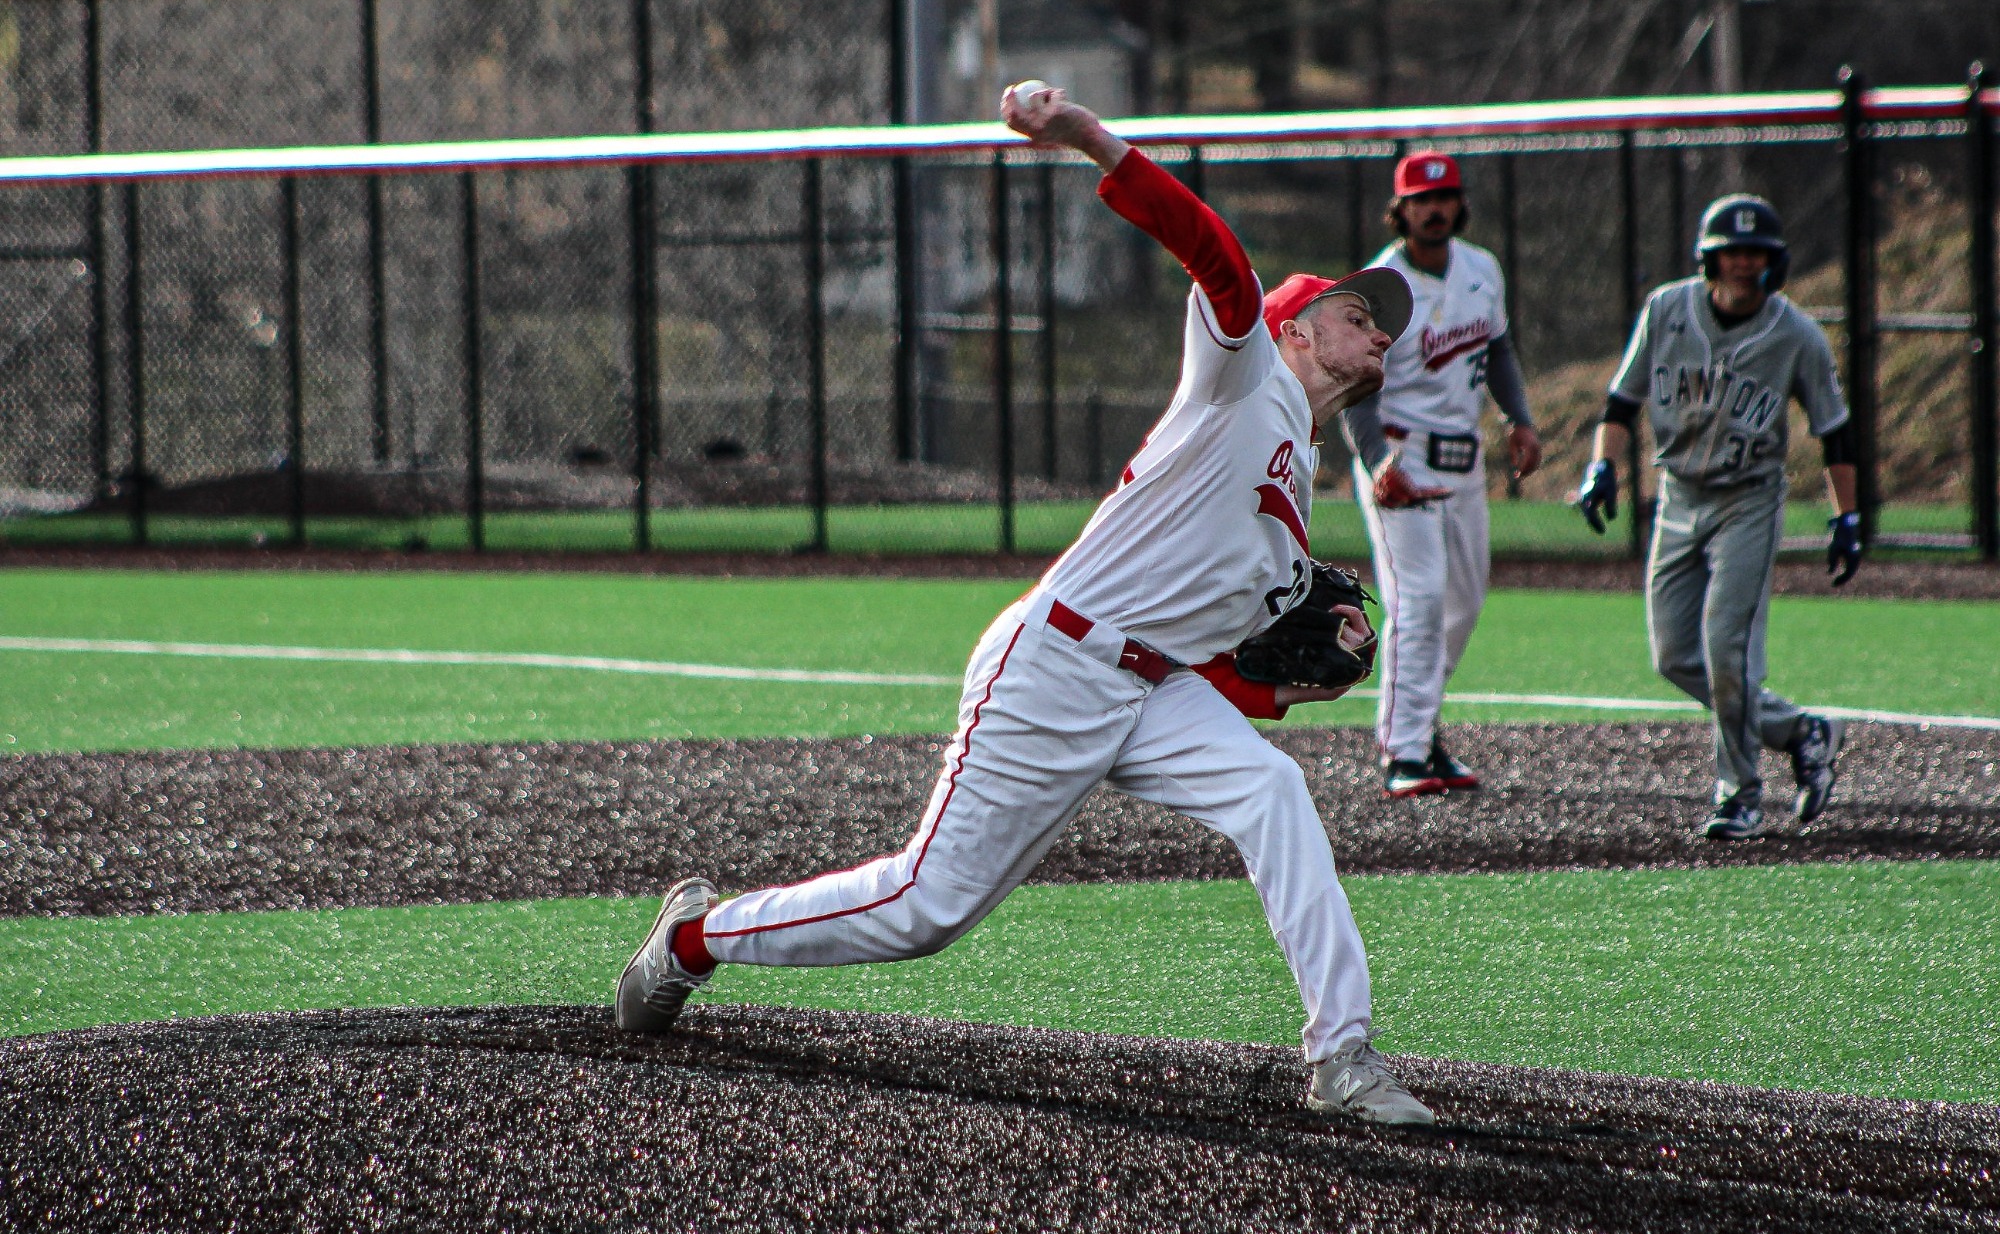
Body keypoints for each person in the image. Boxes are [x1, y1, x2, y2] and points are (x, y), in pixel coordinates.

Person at [613, 82, 1439, 1125]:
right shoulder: (1242, 378)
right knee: (924, 907)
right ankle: (695, 935)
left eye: (1378, 325)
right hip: (1055, 661)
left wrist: (1287, 685)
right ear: (1296, 325)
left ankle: (1342, 1055)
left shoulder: (1300, 484)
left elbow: (1214, 651)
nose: (1375, 334)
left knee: (1272, 793)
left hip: (1147, 686)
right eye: (1355, 313)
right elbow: (1218, 256)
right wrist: (1087, 140)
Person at [1575, 193, 1858, 841]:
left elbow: (1835, 434)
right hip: (1678, 494)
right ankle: (1799, 731)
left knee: (1727, 649)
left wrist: (1847, 517)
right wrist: (1602, 468)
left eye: (1754, 252)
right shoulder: (1667, 309)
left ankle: (1741, 793)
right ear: (1710, 257)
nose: (1742, 263)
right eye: (1731, 251)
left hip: (1748, 500)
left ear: (1773, 261)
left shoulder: (1795, 336)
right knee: (1675, 654)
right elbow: (1621, 403)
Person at [1339, 152, 1542, 799]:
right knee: (1420, 599)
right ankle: (1403, 750)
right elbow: (1358, 387)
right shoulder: (1380, 286)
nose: (1435, 208)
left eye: (1445, 196)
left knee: (1465, 603)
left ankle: (1419, 729)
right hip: (1402, 454)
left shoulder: (1482, 268)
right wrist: (1377, 463)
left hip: (1465, 457)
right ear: (1400, 210)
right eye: (1422, 200)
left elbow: (1499, 347)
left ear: (1460, 204)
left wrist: (1520, 417)